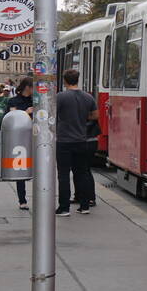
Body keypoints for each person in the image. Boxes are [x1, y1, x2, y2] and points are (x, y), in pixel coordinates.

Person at [55, 69, 98, 216]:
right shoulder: (88, 97)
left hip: (64, 141)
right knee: (82, 173)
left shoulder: (60, 97)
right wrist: (81, 119)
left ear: (65, 81)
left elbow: (52, 113)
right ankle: (84, 206)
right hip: (81, 140)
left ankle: (64, 207)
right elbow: (94, 115)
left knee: (63, 175)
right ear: (77, 79)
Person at [6, 78, 35, 209]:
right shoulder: (13, 101)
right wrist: (26, 113)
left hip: (35, 136)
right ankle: (22, 200)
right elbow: (12, 118)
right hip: (20, 139)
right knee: (21, 170)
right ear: (27, 87)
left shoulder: (37, 101)